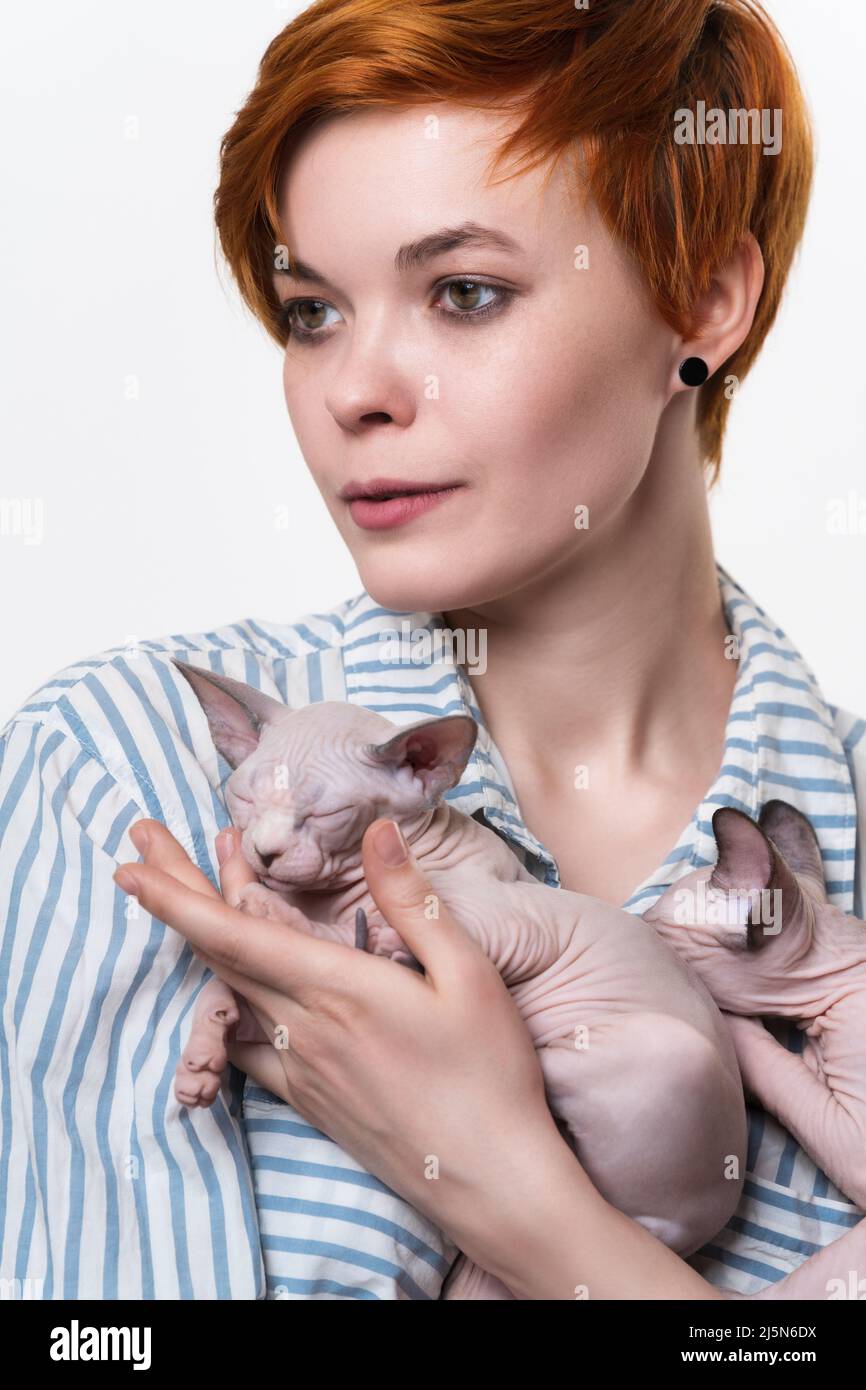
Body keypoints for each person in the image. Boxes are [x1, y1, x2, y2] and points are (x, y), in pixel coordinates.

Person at [1, 0, 864, 1300]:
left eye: (462, 293)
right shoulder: (114, 772)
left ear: (703, 299)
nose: (355, 387)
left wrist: (513, 1195)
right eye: (310, 311)